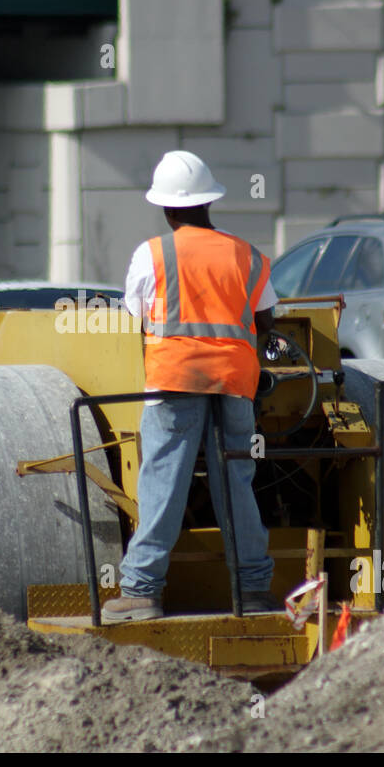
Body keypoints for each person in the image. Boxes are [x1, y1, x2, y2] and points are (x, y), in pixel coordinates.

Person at [102, 150, 279, 622]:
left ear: (166, 207)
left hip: (175, 378)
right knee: (236, 484)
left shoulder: (153, 253)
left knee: (164, 481)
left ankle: (141, 591)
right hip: (235, 382)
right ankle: (254, 591)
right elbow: (265, 317)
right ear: (209, 202)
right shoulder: (247, 254)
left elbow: (135, 319)